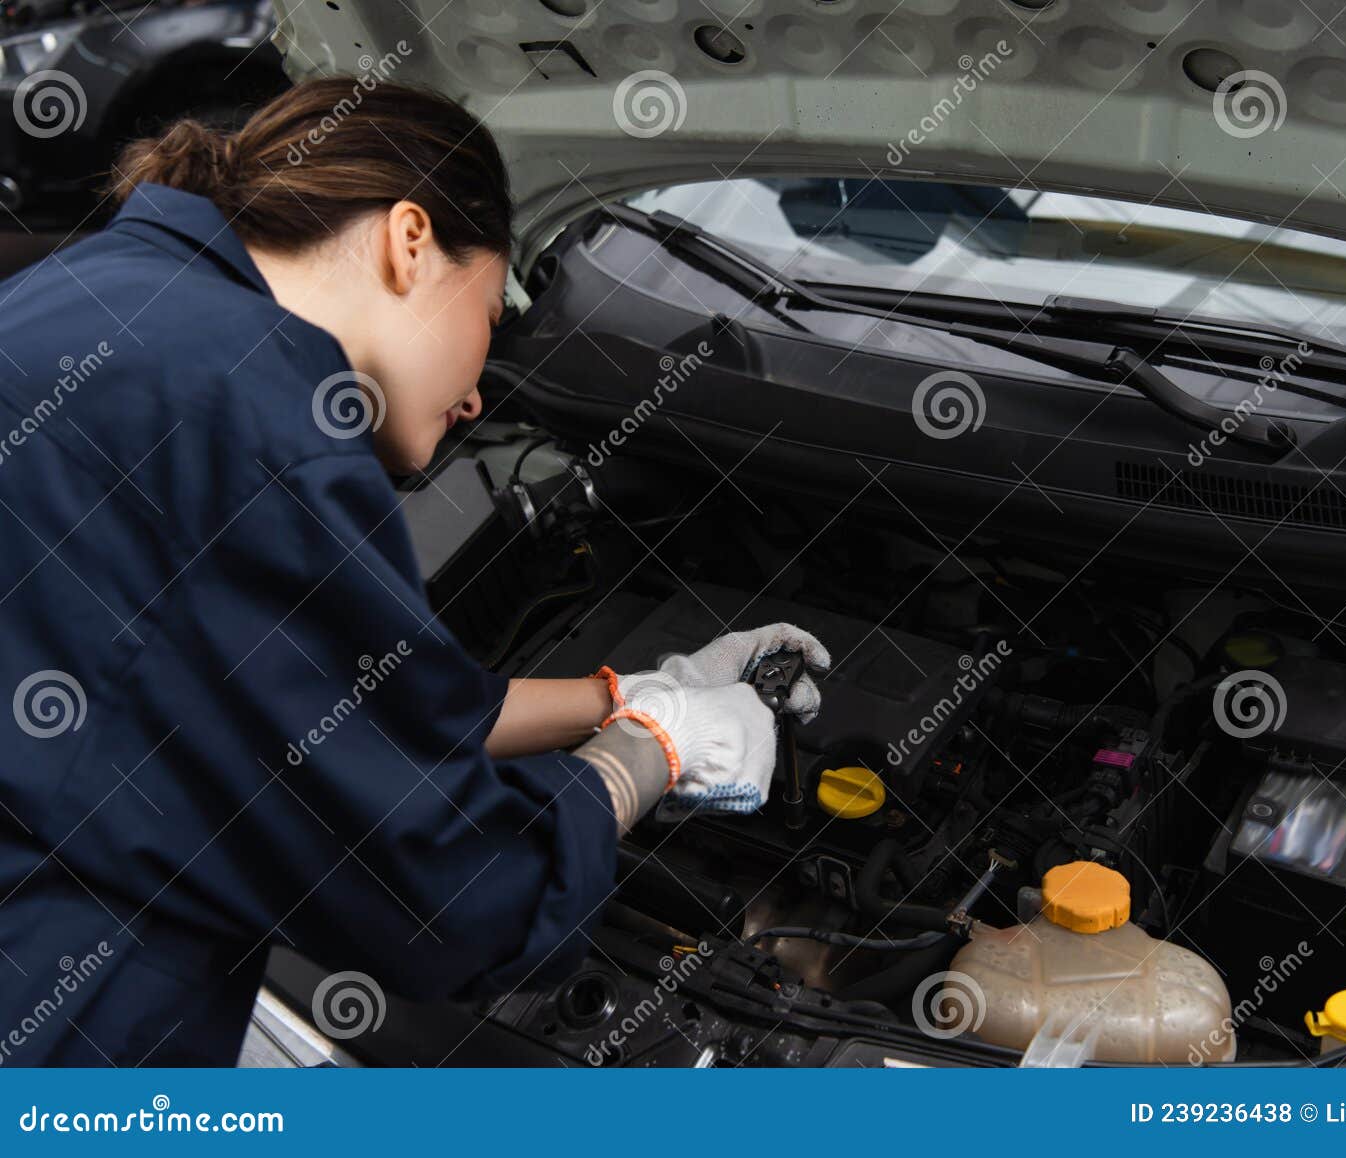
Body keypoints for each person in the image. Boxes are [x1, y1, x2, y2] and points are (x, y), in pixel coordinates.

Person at [0, 80, 826, 1066]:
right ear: (409, 242)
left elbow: (317, 711)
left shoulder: (96, 296)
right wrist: (652, 753)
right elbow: (453, 902)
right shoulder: (267, 420)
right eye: (490, 309)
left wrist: (627, 694)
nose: (479, 393)